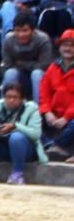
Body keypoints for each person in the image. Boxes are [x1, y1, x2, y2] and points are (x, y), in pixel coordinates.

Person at [0, 78, 44, 185]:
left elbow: (36, 134)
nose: (11, 100)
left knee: (16, 137)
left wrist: (15, 127)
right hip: (2, 147)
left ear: (22, 98)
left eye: (15, 97)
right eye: (8, 97)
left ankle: (17, 174)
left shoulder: (31, 108)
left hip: (24, 149)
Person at [38, 30, 74, 161]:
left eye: (72, 45)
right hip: (53, 114)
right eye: (65, 45)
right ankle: (48, 145)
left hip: (71, 117)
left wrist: (66, 117)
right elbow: (44, 92)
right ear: (59, 48)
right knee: (31, 118)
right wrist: (47, 112)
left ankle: (58, 145)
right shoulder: (53, 67)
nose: (68, 49)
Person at [1, 10, 53, 100]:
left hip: (40, 77)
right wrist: (34, 64)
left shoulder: (42, 39)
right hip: (20, 77)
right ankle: (5, 107)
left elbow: (45, 65)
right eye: (17, 30)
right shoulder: (9, 40)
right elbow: (8, 65)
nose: (21, 35)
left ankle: (39, 110)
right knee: (10, 73)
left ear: (33, 30)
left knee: (36, 74)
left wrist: (21, 63)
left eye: (25, 30)